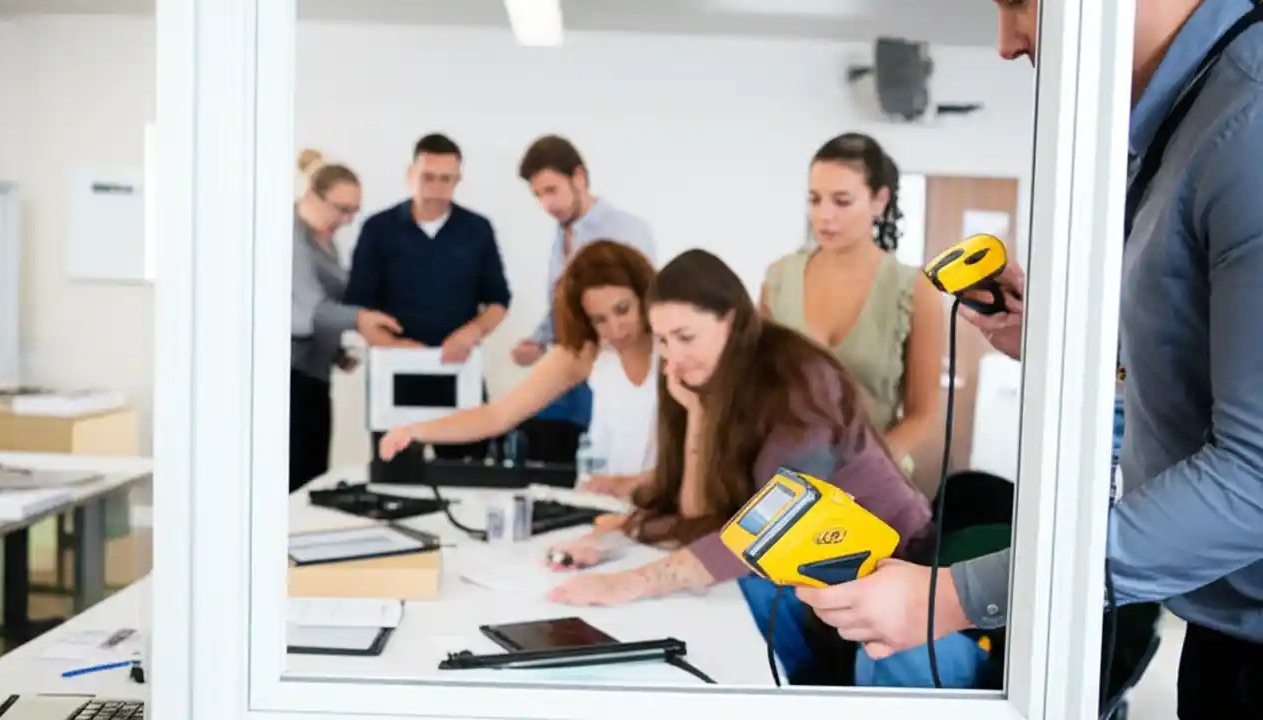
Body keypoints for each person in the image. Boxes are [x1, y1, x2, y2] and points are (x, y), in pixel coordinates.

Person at [796, 1, 1263, 716]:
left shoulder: (1249, 123)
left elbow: (1255, 481)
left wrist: (959, 593)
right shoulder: (1187, 125)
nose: (1006, 44)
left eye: (1020, 3)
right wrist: (1061, 345)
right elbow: (1208, 357)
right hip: (1219, 630)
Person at [530, 250, 931, 681]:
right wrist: (698, 420)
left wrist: (636, 580)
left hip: (892, 559)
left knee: (727, 602)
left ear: (732, 320)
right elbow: (699, 513)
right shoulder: (696, 379)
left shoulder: (798, 379)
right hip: (808, 566)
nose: (672, 356)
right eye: (662, 339)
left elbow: (775, 522)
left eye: (685, 336)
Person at [378, 240, 660, 496]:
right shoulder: (584, 353)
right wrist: (413, 431)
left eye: (623, 310)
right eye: (599, 319)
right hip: (601, 500)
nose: (615, 328)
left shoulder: (673, 350)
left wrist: (636, 483)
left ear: (643, 296)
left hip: (656, 499)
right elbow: (497, 415)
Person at [761, 134, 943, 474]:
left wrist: (863, 469)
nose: (824, 215)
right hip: (782, 479)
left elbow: (922, 413)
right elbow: (756, 387)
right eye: (815, 200)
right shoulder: (778, 280)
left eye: (842, 201)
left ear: (879, 200)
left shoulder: (914, 290)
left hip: (873, 483)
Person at [345, 133, 513, 464]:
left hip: (458, 370)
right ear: (410, 175)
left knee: (469, 472)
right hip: (396, 372)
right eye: (427, 177)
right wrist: (393, 346)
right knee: (397, 478)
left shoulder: (477, 229)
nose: (436, 186)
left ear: (458, 180)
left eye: (445, 179)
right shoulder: (378, 229)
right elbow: (358, 310)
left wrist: (472, 333)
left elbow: (498, 301)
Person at [509, 135, 657, 464]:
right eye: (538, 196)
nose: (546, 204)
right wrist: (536, 340)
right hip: (569, 368)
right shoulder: (561, 234)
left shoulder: (627, 230)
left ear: (578, 177)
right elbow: (562, 306)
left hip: (610, 367)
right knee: (536, 445)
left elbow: (646, 305)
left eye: (551, 190)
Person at [290, 150, 402, 493]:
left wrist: (337, 352)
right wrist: (360, 318)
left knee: (313, 472)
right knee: (296, 478)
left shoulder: (325, 242)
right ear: (312, 195)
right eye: (340, 209)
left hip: (314, 376)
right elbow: (303, 312)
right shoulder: (287, 237)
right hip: (288, 380)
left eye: (352, 212)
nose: (345, 220)